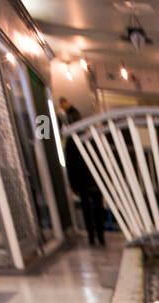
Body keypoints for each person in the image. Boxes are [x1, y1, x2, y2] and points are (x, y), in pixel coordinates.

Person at [58, 98, 106, 247]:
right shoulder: (91, 139)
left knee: (88, 209)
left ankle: (92, 237)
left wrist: (73, 184)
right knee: (98, 209)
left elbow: (71, 165)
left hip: (84, 182)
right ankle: (100, 236)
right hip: (94, 181)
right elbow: (101, 162)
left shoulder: (72, 142)